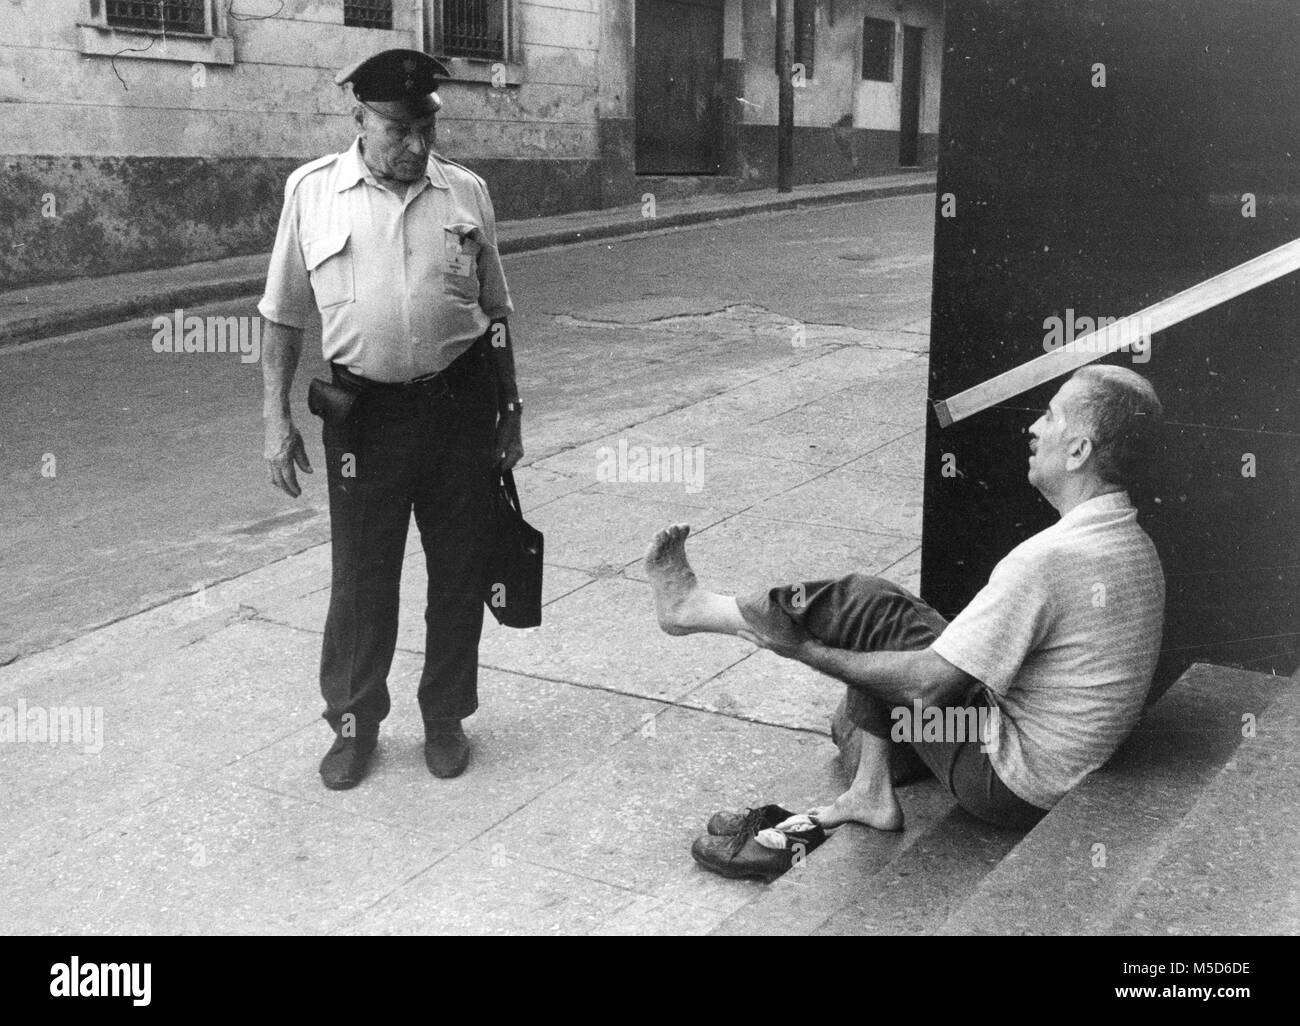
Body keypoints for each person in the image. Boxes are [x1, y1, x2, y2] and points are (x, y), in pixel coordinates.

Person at [646, 365, 1166, 876]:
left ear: (1078, 452)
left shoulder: (1049, 561)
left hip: (1010, 782)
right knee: (858, 705)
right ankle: (871, 786)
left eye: (1050, 417)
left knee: (869, 604)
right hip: (1051, 766)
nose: (1033, 427)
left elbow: (928, 686)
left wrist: (806, 652)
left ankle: (694, 609)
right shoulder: (1128, 540)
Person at [258, 49, 523, 790]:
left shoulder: (466, 192)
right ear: (361, 121)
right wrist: (273, 420)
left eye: (426, 128)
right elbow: (281, 318)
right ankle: (353, 724)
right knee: (362, 579)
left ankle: (445, 716)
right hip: (363, 422)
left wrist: (511, 410)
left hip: (459, 408)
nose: (416, 145)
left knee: (459, 570)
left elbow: (496, 314)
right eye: (399, 129)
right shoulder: (312, 193)